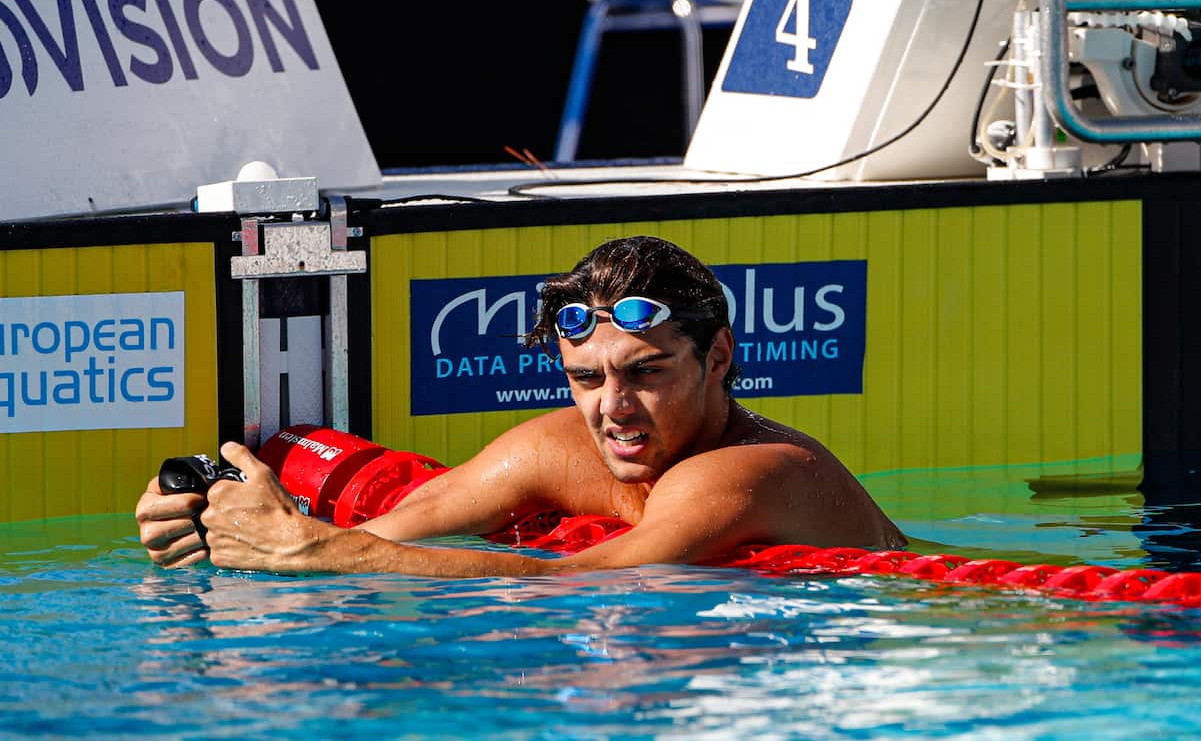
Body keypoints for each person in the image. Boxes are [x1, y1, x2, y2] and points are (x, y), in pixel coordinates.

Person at [136, 236, 904, 576]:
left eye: (646, 372)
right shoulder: (556, 446)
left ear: (720, 359)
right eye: (587, 378)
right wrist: (215, 528)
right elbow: (381, 540)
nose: (615, 408)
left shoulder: (754, 472)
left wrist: (313, 550)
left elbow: (576, 583)